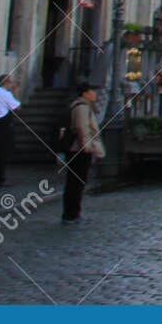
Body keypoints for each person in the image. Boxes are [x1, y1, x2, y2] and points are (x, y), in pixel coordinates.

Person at [61, 84, 104, 224]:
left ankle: (73, 213)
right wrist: (87, 147)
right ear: (85, 93)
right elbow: (82, 128)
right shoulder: (81, 107)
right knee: (76, 182)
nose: (95, 94)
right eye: (92, 91)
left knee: (77, 182)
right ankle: (71, 214)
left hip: (78, 148)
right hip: (78, 149)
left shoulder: (84, 106)